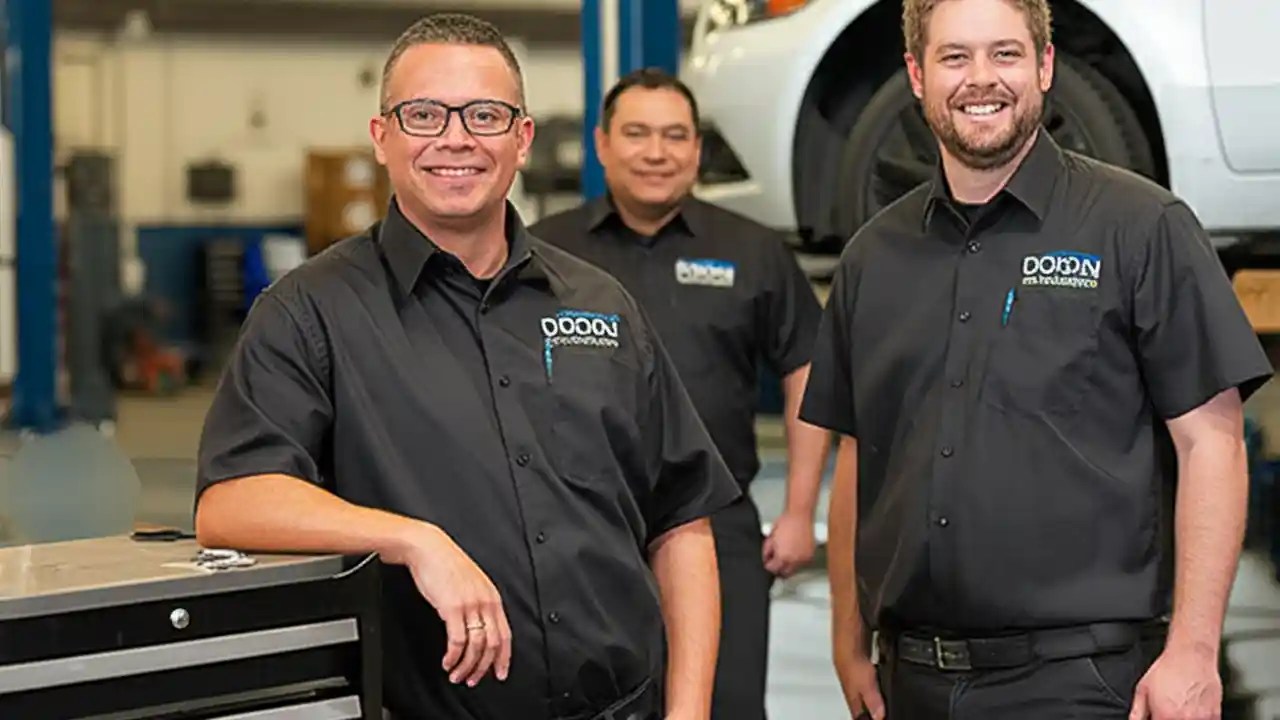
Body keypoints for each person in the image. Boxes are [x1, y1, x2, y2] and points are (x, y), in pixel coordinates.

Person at [193, 13, 741, 720]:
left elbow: (682, 521)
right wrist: (411, 538)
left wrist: (689, 713)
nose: (456, 138)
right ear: (382, 137)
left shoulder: (603, 306)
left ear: (522, 139)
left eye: (484, 115)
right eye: (424, 114)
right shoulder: (311, 312)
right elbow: (232, 501)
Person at [797, 0, 1274, 718]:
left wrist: (1195, 651)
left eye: (1006, 54)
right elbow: (863, 456)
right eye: (954, 57)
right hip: (911, 682)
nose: (980, 78)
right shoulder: (872, 258)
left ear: (1046, 67)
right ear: (917, 75)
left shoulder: (1141, 228)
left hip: (1081, 684)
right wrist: (847, 638)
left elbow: (1212, 441)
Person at [531, 68, 831, 720]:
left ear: (697, 149)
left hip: (718, 527)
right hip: (580, 532)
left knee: (722, 707)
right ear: (602, 144)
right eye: (637, 134)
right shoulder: (543, 254)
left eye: (674, 136)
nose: (657, 152)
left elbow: (807, 368)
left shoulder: (750, 251)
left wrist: (801, 509)